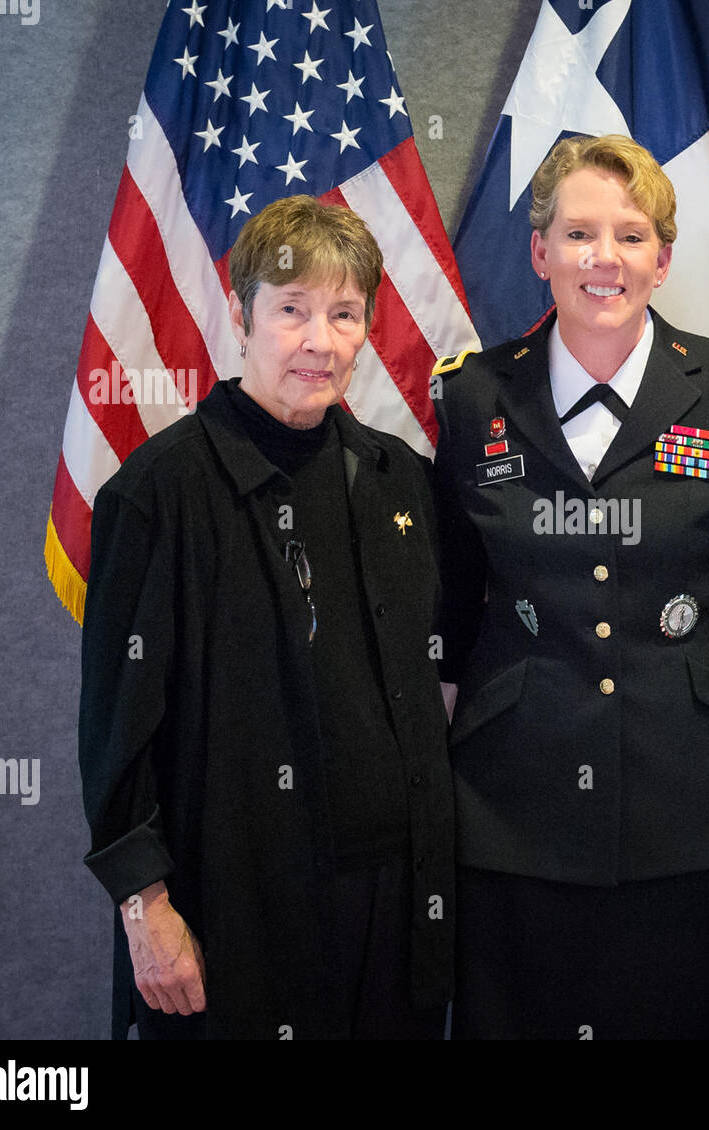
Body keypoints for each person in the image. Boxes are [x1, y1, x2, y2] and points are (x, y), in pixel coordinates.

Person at [432, 134, 709, 1039]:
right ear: (538, 251)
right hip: (515, 801)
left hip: (696, 801)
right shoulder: (475, 397)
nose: (605, 259)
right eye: (579, 232)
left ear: (663, 260)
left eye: (631, 237)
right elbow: (449, 607)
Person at [78, 195, 453, 1040]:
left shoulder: (399, 480)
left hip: (393, 908)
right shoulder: (156, 496)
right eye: (292, 311)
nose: (319, 341)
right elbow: (116, 729)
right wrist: (147, 907)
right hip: (230, 906)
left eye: (344, 314)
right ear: (242, 314)